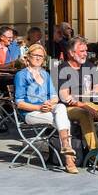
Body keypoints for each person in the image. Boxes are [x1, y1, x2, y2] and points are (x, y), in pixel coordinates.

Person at [55, 36, 98, 171]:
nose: (85, 53)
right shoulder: (62, 69)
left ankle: (93, 149)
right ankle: (97, 156)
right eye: (81, 51)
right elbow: (65, 96)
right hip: (69, 108)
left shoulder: (89, 65)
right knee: (85, 114)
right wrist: (84, 105)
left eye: (86, 50)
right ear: (71, 53)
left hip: (88, 104)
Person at [13, 44, 78, 173]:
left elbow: (55, 97)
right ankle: (69, 159)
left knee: (60, 107)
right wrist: (39, 107)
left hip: (46, 109)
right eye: (35, 55)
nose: (38, 58)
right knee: (63, 122)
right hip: (30, 113)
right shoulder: (21, 75)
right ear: (28, 57)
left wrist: (49, 103)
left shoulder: (45, 75)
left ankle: (66, 148)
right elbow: (19, 103)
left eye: (41, 56)